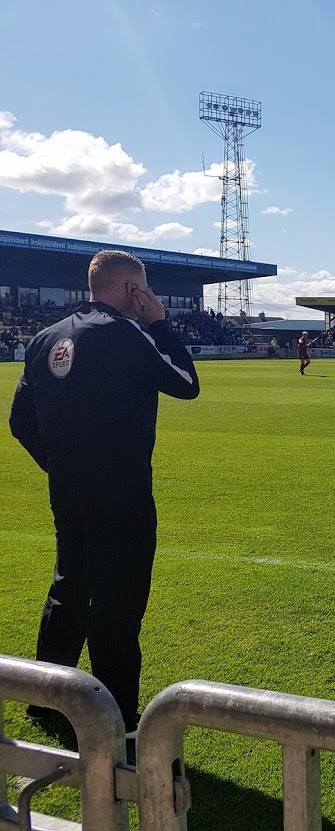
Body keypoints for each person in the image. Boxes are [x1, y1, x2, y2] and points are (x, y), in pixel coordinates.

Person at [8, 250, 200, 733]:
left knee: (68, 584)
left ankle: (44, 698)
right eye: (145, 290)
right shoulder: (126, 333)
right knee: (118, 595)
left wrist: (59, 466)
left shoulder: (45, 337)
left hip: (68, 487)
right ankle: (115, 713)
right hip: (122, 488)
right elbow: (185, 383)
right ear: (134, 290)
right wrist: (160, 325)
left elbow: (18, 421)